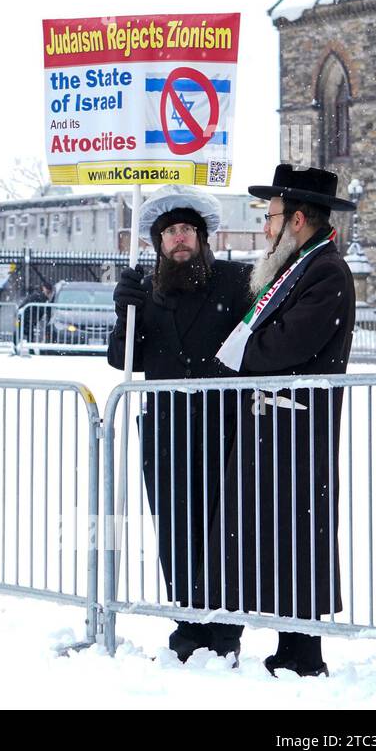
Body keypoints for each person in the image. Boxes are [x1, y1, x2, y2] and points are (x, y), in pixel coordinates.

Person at [207, 164, 358, 678]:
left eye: (270, 217)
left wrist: (244, 356)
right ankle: (287, 644)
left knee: (298, 533)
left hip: (299, 427)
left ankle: (302, 650)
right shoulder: (298, 266)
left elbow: (292, 342)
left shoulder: (327, 271)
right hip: (271, 425)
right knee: (269, 534)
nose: (265, 227)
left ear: (297, 220)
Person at [106, 185, 252, 662]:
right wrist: (124, 312)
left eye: (187, 229)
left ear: (203, 236)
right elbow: (120, 358)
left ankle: (225, 631)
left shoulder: (235, 280)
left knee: (224, 531)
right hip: (167, 430)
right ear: (158, 243)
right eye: (170, 232)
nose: (180, 238)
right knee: (175, 530)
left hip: (225, 426)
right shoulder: (147, 291)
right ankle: (187, 624)